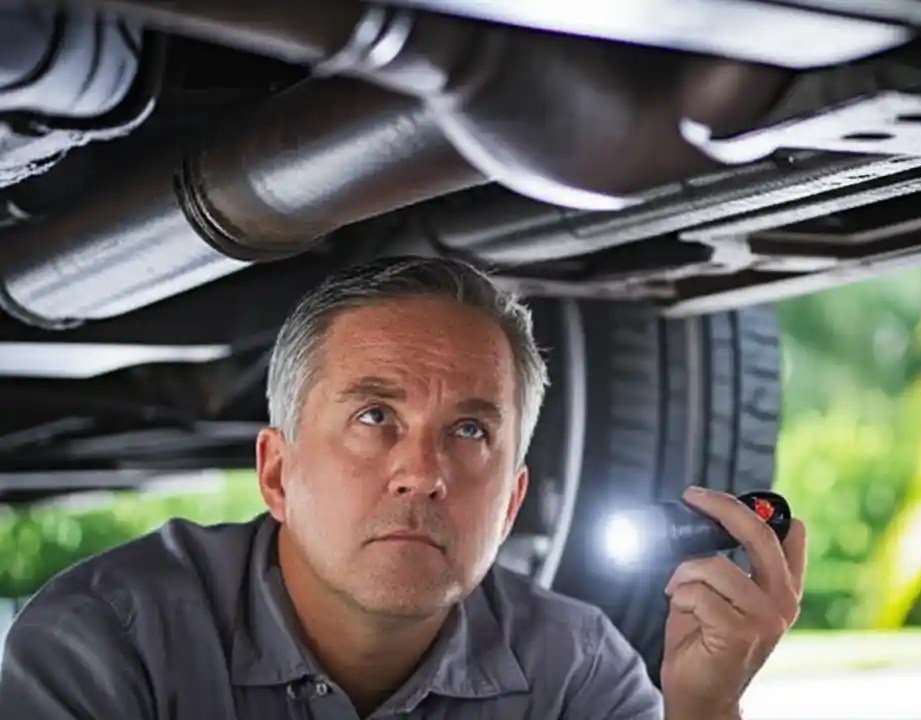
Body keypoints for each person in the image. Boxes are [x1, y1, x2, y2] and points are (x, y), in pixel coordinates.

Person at [0, 256, 806, 719]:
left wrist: (703, 710)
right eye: (375, 415)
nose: (423, 472)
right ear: (277, 473)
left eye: (469, 431)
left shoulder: (577, 669)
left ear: (512, 502)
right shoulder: (111, 645)